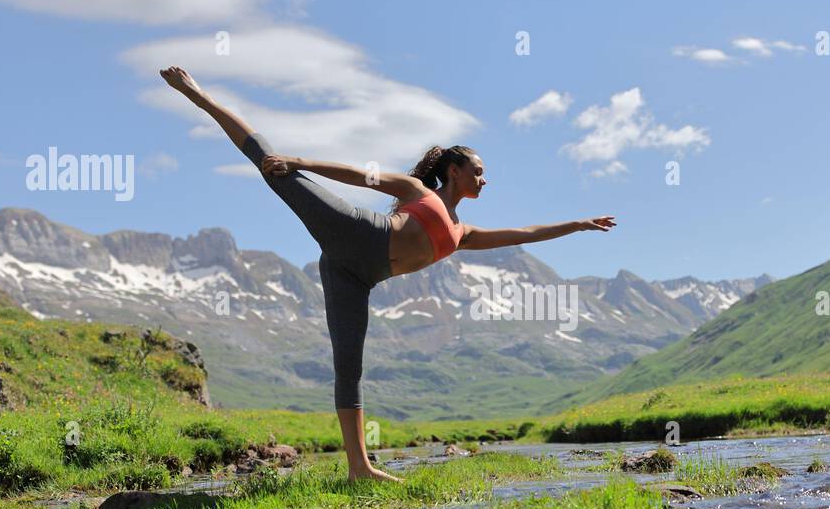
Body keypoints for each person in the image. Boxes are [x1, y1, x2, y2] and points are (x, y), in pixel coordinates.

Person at [159, 66, 617, 481]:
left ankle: (360, 469)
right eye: (478, 172)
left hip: (355, 276)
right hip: (356, 232)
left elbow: (524, 233)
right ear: (454, 171)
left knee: (349, 367)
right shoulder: (419, 190)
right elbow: (361, 176)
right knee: (269, 164)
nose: (484, 180)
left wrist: (576, 224)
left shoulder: (464, 233)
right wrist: (298, 163)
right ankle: (197, 93)